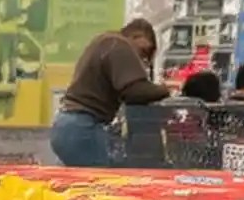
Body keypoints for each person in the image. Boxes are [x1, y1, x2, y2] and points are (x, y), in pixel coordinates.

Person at [51, 19, 171, 167]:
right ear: (136, 36)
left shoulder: (104, 42)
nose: (141, 59)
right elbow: (134, 92)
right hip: (83, 127)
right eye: (144, 51)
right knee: (102, 178)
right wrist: (166, 90)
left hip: (67, 126)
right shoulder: (119, 45)